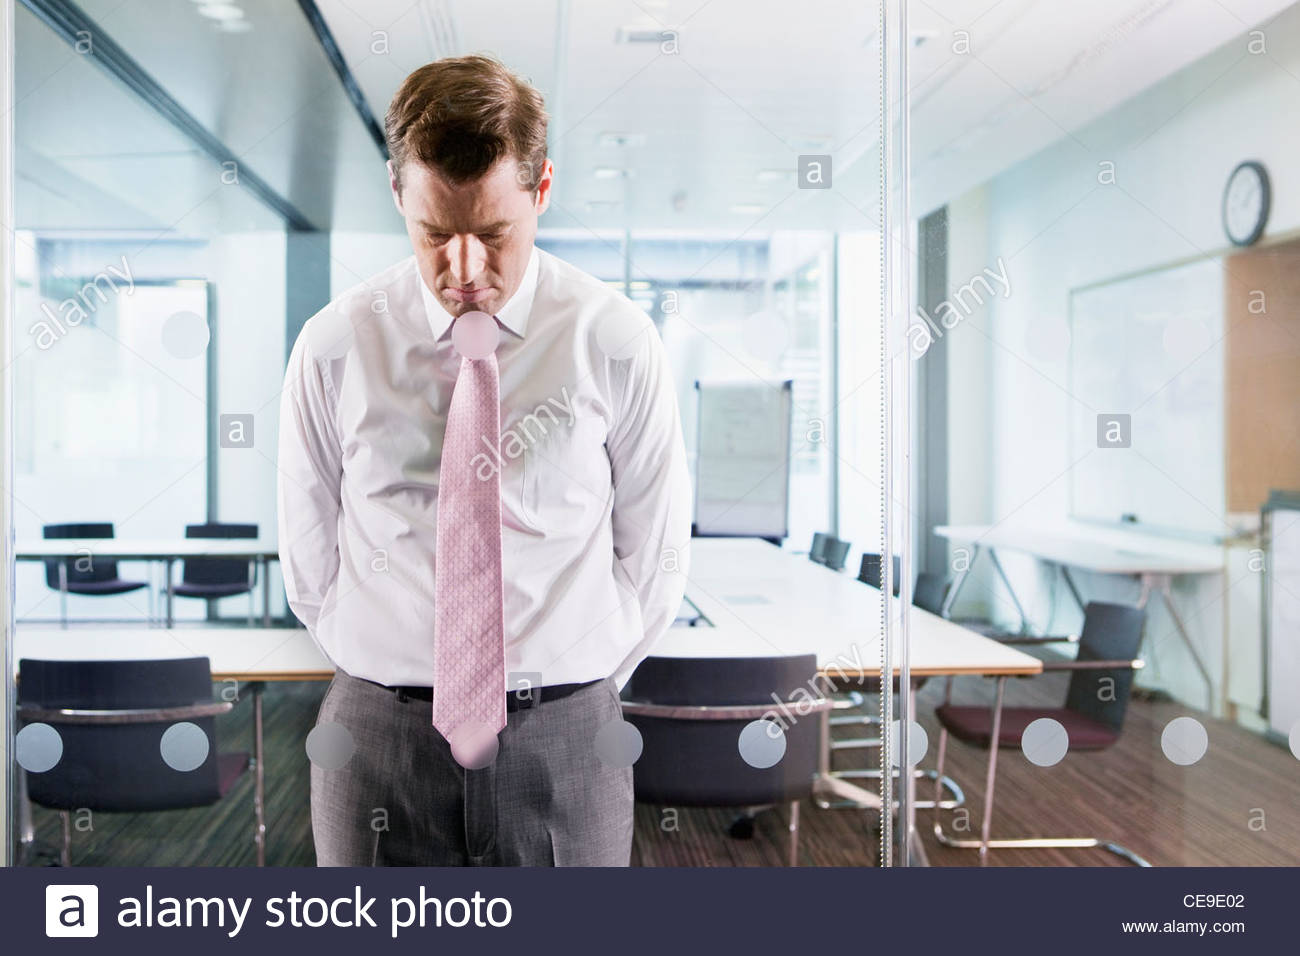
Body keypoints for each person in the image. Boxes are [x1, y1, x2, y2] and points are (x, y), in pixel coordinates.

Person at [276, 53, 692, 866]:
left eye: (492, 233)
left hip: (568, 737)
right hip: (377, 740)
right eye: (435, 232)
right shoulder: (335, 346)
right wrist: (389, 675)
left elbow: (655, 557)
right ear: (398, 194)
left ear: (540, 192)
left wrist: (569, 688)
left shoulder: (611, 341)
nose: (463, 269)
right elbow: (310, 560)